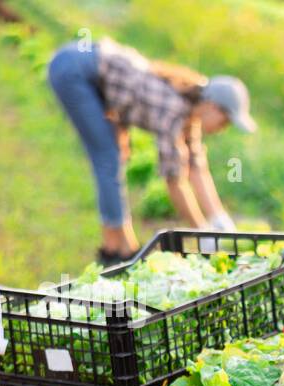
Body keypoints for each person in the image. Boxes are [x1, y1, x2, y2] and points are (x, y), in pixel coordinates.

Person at [47, 37, 257, 265]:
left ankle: (113, 250)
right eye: (224, 121)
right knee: (107, 158)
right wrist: (202, 232)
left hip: (88, 70)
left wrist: (219, 218)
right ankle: (122, 251)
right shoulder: (173, 109)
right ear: (212, 106)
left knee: (112, 156)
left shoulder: (191, 113)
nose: (223, 129)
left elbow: (197, 167)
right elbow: (174, 180)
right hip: (73, 70)